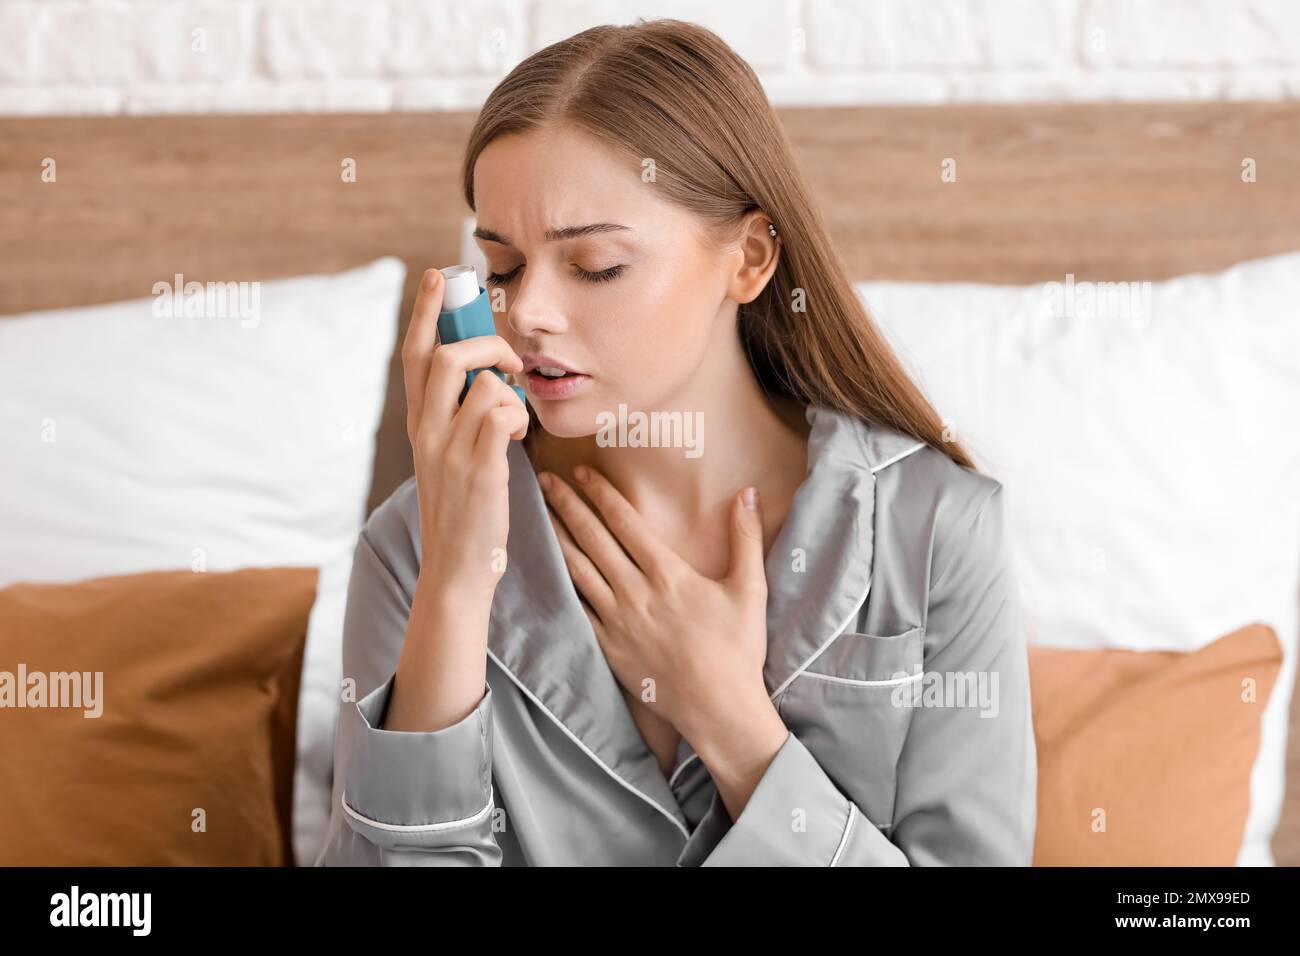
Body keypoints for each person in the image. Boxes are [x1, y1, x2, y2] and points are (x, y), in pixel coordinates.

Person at [315, 18, 1036, 866]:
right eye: (503, 268)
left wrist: (734, 726)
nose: (531, 312)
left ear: (750, 258)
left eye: (596, 267)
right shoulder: (416, 544)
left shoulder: (935, 531)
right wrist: (455, 582)